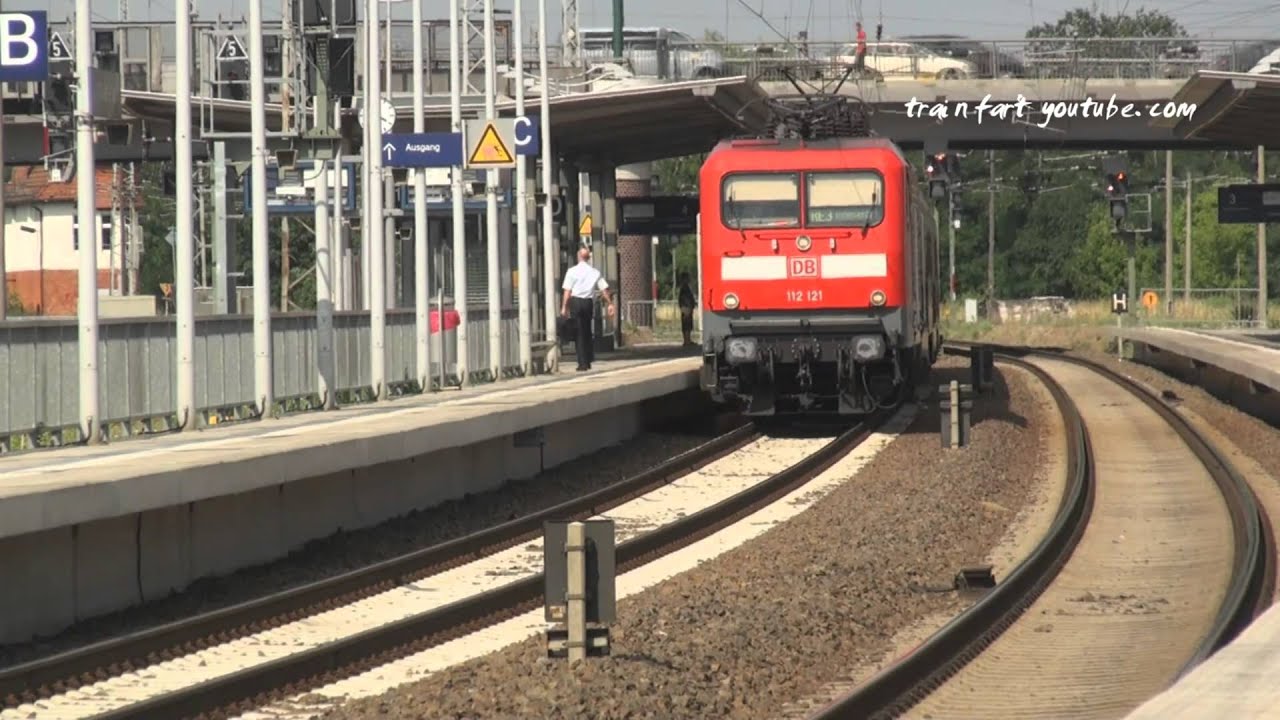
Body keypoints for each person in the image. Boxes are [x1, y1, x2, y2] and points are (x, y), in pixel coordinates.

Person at [561, 247, 616, 371]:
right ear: (588, 258)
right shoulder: (594, 272)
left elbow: (567, 291)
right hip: (588, 303)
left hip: (576, 302)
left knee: (578, 332)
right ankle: (589, 359)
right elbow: (604, 289)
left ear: (578, 257)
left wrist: (565, 307)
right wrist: (610, 303)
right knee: (586, 331)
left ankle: (582, 363)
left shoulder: (572, 271)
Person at [677, 273, 696, 346]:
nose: (689, 279)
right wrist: (688, 307)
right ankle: (686, 341)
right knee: (687, 324)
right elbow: (685, 299)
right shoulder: (685, 288)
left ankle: (688, 340)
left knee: (687, 324)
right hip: (686, 307)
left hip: (686, 307)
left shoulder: (685, 287)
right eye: (687, 278)